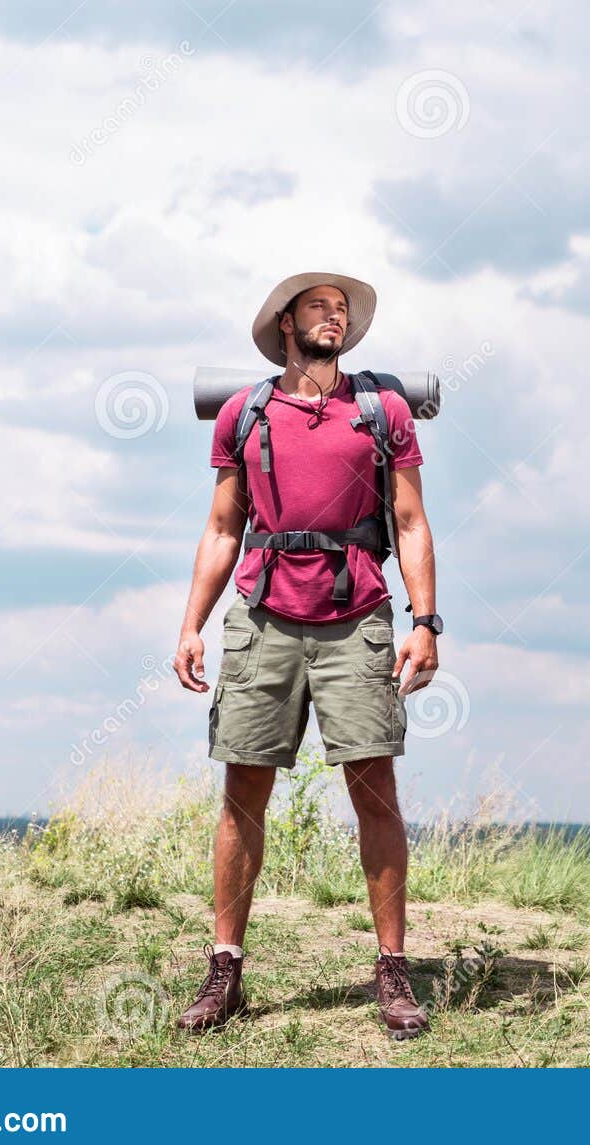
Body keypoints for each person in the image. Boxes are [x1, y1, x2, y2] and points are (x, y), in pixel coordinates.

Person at [170, 271, 443, 1039]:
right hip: (261, 616)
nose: (337, 315)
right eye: (319, 305)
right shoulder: (243, 412)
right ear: (285, 322)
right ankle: (225, 969)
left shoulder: (381, 410)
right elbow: (224, 527)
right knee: (242, 791)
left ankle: (391, 971)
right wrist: (191, 625)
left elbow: (411, 520)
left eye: (343, 307)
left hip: (358, 613)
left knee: (375, 788)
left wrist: (427, 622)